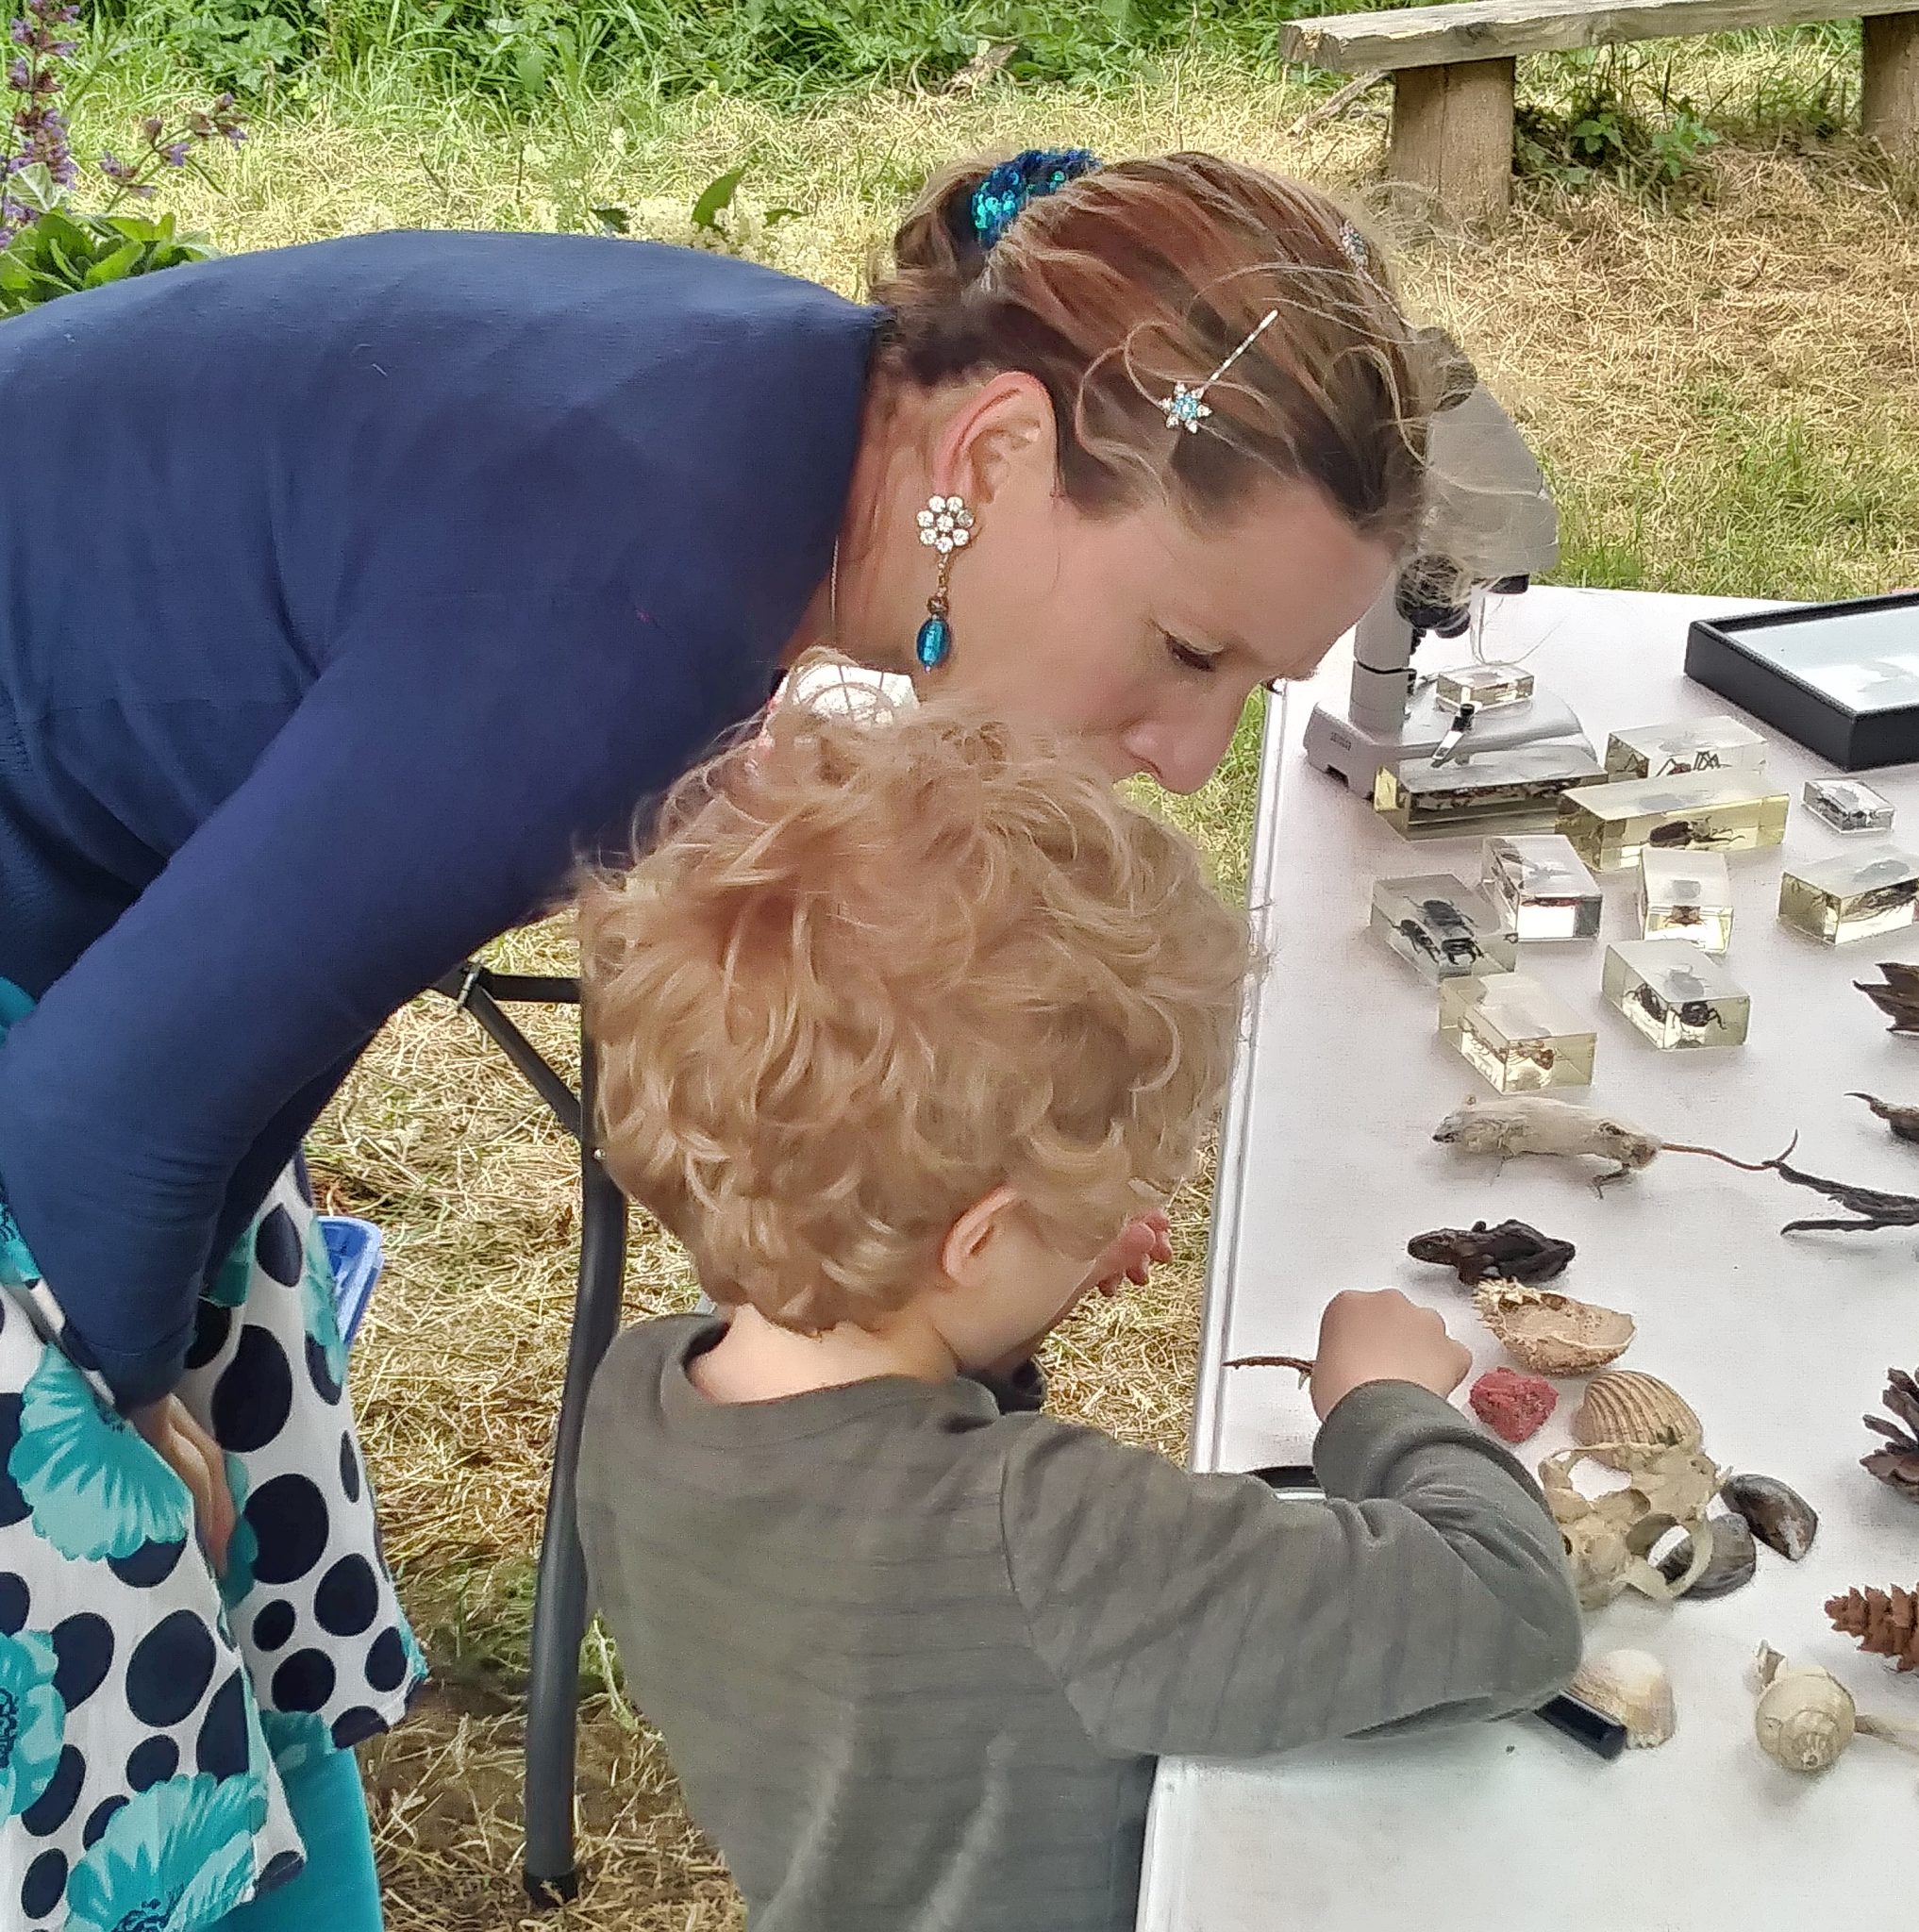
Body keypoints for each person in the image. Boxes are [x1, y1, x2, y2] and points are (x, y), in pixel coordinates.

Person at [0, 147, 1434, 1925]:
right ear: (991, 456)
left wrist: (197, 1301)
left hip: (106, 982)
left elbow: (278, 987)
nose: (1193, 756)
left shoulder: (791, 431)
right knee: (129, 1742)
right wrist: (127, 1406)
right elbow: (88, 1118)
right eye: (1186, 649)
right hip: (67, 1064)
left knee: (246, 1648)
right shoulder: (640, 591)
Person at [573, 699, 1583, 1932]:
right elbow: (1508, 1611)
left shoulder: (639, 1400)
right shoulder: (1048, 1539)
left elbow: (886, 1516)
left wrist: (1001, 1314)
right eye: (1122, 1172)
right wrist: (1387, 1406)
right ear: (979, 1239)